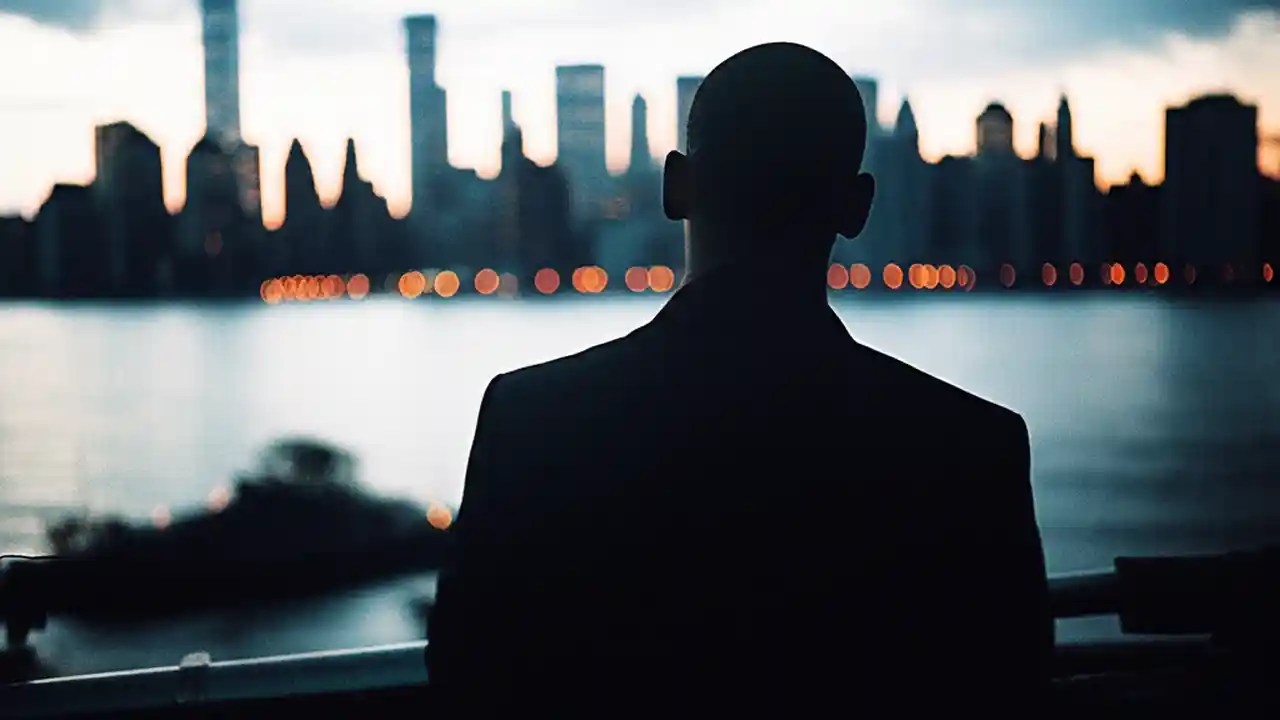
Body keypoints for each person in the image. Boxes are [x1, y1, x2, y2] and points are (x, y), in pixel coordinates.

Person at [427, 42, 1053, 714]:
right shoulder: (973, 451)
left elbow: (468, 677)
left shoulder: (529, 421)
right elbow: (1012, 689)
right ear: (857, 206)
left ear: (676, 186)